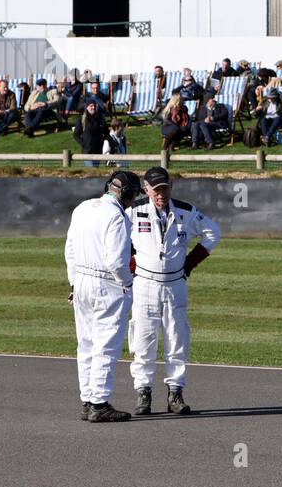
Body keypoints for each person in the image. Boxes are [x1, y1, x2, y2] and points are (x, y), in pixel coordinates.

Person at [128, 167, 221, 416]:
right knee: (143, 339)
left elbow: (213, 233)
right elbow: (116, 240)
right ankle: (143, 392)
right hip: (145, 284)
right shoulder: (133, 211)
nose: (161, 194)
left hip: (175, 284)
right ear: (146, 189)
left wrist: (189, 263)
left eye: (165, 188)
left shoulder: (186, 211)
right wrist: (130, 265)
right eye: (156, 189)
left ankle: (175, 392)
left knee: (177, 338)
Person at [64, 170, 141, 422]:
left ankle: (87, 399)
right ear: (127, 194)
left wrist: (74, 283)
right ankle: (99, 402)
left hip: (82, 280)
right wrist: (127, 283)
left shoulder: (83, 208)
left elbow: (70, 250)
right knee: (105, 346)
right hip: (106, 283)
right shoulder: (116, 216)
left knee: (85, 344)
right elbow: (117, 260)